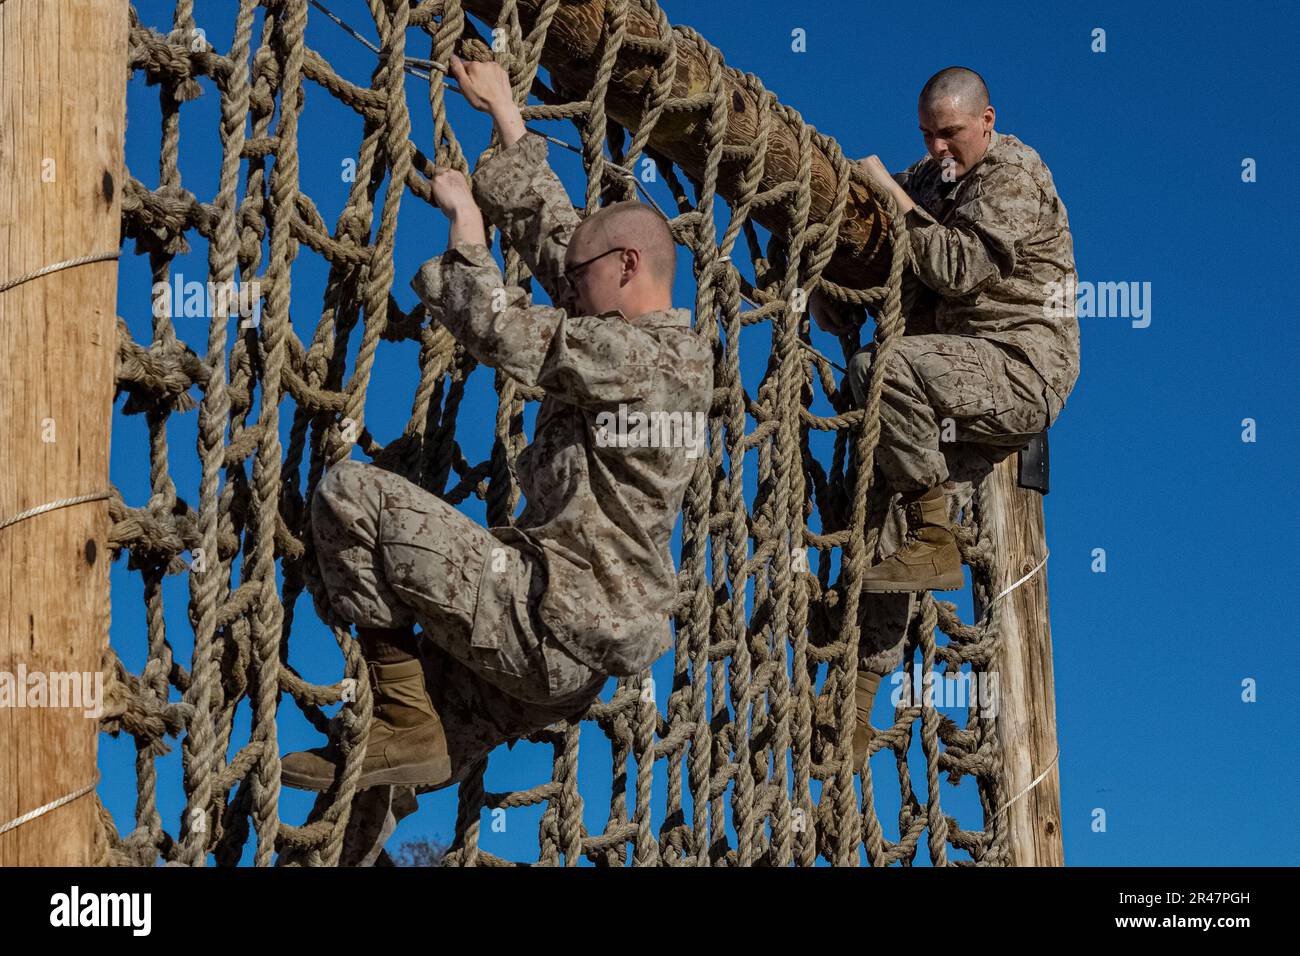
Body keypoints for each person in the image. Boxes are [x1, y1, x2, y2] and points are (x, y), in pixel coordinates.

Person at [282, 56, 713, 792]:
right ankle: (408, 741)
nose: (570, 289)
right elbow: (566, 244)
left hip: (542, 619)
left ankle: (403, 712)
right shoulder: (665, 346)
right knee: (392, 777)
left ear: (629, 266)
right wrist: (506, 114)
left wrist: (468, 235)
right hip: (567, 663)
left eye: (582, 283)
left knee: (352, 494)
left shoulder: (636, 357)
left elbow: (503, 326)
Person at [810, 66, 1080, 768]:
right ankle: (853, 713)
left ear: (987, 119)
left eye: (952, 134)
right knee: (879, 528)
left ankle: (939, 536)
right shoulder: (934, 178)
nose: (938, 149)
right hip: (950, 382)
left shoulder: (1014, 174)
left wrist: (893, 197)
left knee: (882, 368)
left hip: (1018, 369)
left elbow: (957, 267)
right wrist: (830, 286)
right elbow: (884, 251)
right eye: (927, 135)